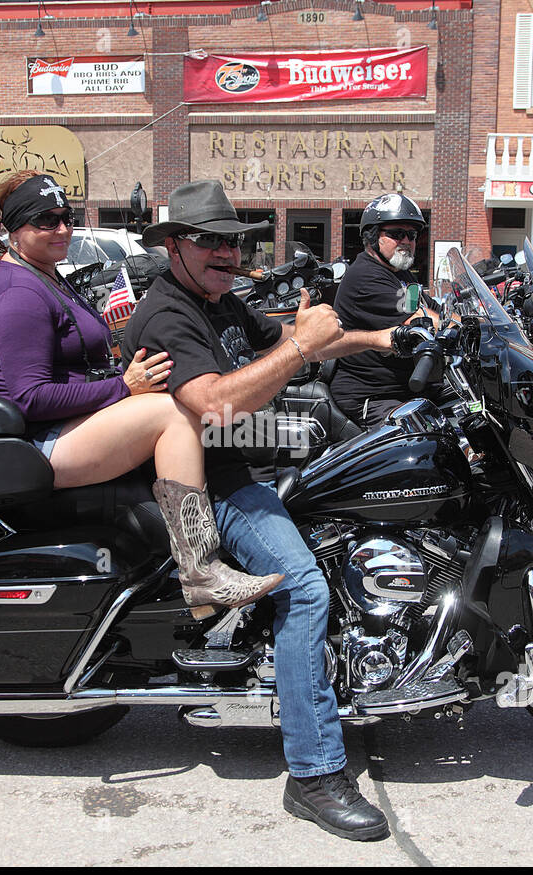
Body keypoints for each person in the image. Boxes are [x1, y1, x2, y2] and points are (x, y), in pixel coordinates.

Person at [122, 180, 396, 841]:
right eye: (210, 241)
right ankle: (315, 773)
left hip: (251, 468)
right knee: (302, 589)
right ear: (175, 247)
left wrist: (388, 339)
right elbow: (215, 402)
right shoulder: (169, 316)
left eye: (234, 241)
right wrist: (299, 349)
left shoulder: (220, 302)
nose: (225, 252)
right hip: (218, 485)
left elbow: (291, 341)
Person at [0, 171, 282, 617]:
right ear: (14, 229)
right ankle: (200, 571)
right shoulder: (20, 293)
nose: (62, 229)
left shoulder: (45, 276)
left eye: (66, 216)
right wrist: (123, 387)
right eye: (45, 220)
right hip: (46, 441)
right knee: (176, 413)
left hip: (73, 426)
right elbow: (29, 397)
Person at [327, 193, 441, 428]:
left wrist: (476, 321)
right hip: (372, 395)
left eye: (411, 234)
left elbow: (430, 308)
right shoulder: (366, 278)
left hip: (404, 386)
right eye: (397, 234)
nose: (406, 241)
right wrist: (453, 324)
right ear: (372, 236)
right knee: (425, 437)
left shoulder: (399, 274)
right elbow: (422, 319)